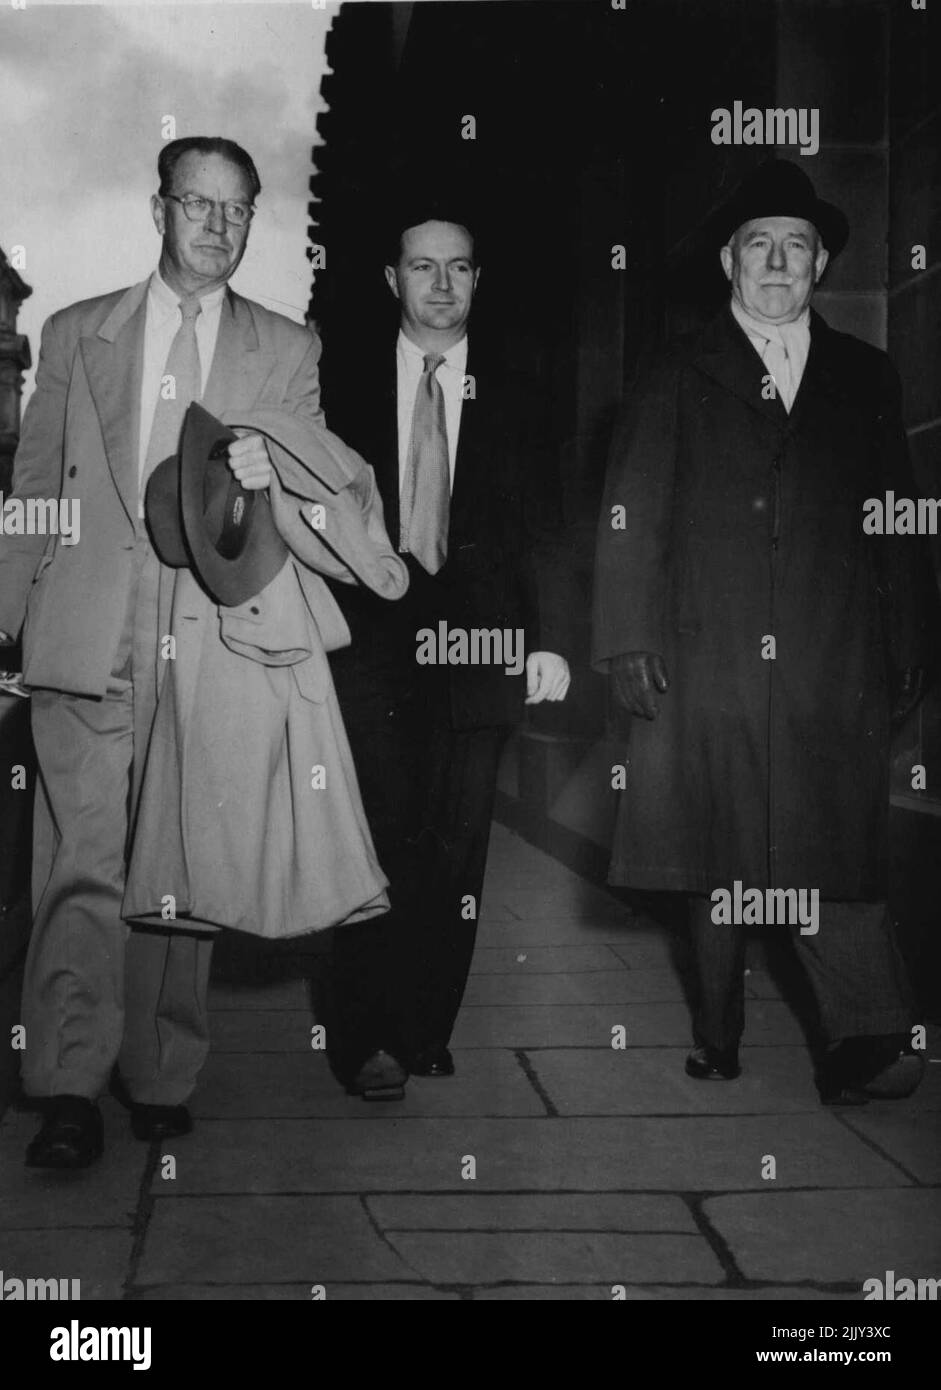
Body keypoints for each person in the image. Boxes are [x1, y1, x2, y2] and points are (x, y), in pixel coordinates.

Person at [0, 136, 331, 1166]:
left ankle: (159, 1067)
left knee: (181, 870)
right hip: (86, 631)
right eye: (199, 204)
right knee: (80, 864)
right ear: (159, 209)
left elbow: (313, 504)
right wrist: (7, 618)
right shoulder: (75, 332)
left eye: (237, 210)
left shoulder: (286, 347)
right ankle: (67, 1081)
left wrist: (270, 470)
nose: (218, 226)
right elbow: (35, 494)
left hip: (212, 639)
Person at [592, 159, 938, 1104]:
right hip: (706, 648)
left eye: (796, 246)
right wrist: (626, 638)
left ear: (820, 261)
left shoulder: (865, 375)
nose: (777, 261)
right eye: (758, 245)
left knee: (833, 838)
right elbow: (631, 512)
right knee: (718, 840)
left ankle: (862, 1039)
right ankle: (718, 1026)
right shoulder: (673, 369)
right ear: (727, 262)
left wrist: (909, 639)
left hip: (831, 652)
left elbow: (893, 517)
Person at [319, 206, 571, 1098]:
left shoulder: (523, 395)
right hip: (368, 650)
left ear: (476, 280)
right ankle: (365, 1038)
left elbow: (551, 530)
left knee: (456, 849)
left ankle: (426, 1027)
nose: (438, 284)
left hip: (484, 647)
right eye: (420, 267)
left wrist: (554, 644)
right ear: (391, 279)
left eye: (457, 268)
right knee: (372, 837)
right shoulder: (336, 385)